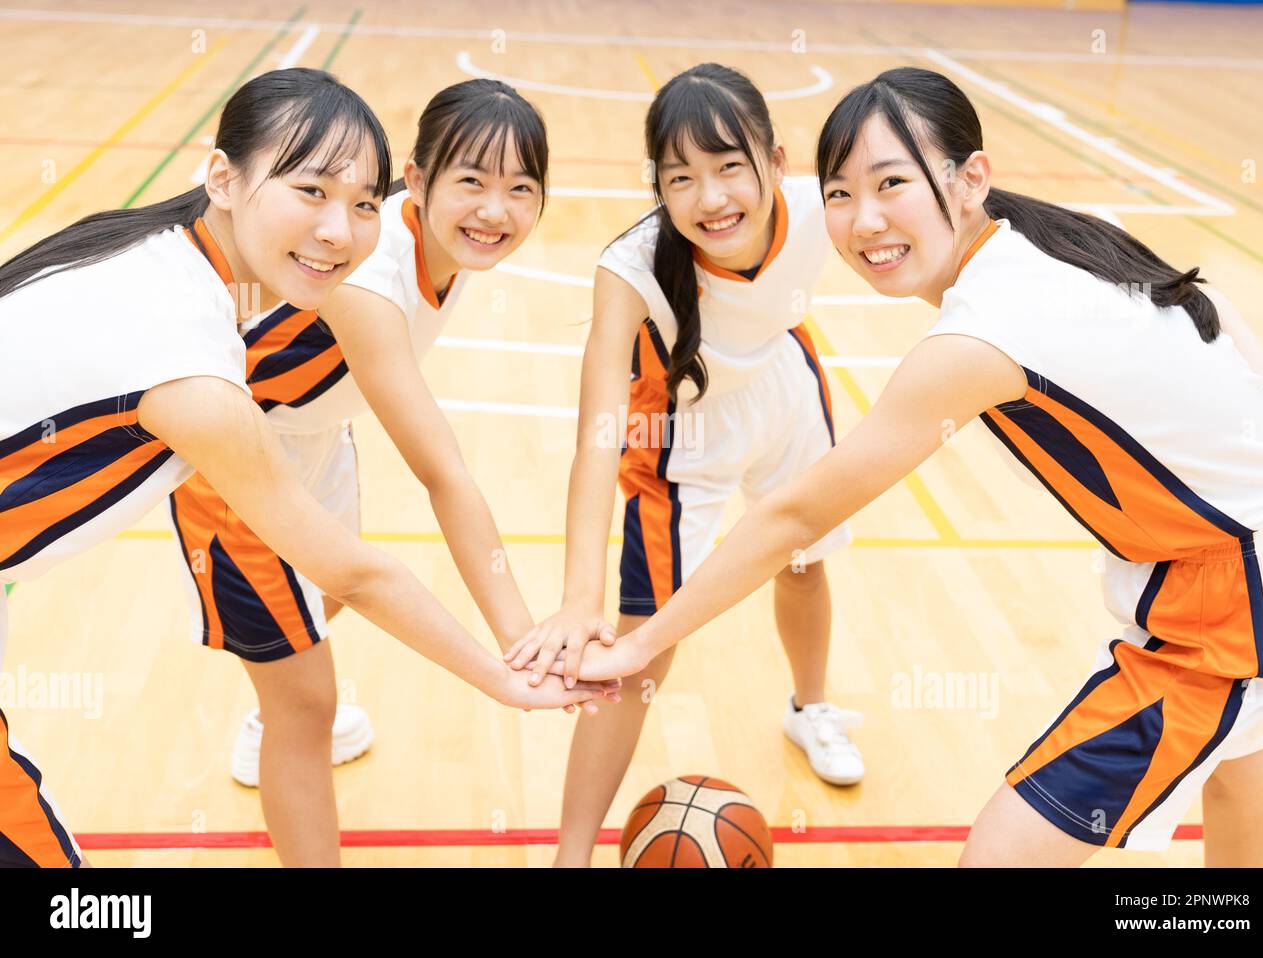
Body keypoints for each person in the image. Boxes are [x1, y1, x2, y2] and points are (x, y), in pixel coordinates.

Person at [557, 66, 1263, 867]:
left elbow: (797, 515)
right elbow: (1212, 301)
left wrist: (637, 646)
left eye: (892, 185)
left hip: (1229, 605)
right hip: (1253, 565)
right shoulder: (1041, 240)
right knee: (1241, 774)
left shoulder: (974, 342)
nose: (864, 220)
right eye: (841, 194)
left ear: (971, 177)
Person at [0, 68, 610, 869]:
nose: (339, 229)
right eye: (310, 191)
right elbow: (402, 521)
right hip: (247, 466)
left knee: (306, 652)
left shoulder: (169, 258)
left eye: (361, 202)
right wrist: (510, 667)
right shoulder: (203, 361)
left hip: (299, 444)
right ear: (221, 177)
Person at [169, 79, 563, 866]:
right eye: (473, 182)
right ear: (416, 179)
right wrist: (520, 640)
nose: (496, 210)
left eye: (522, 188)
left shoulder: (442, 246)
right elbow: (442, 472)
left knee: (330, 601)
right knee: (306, 708)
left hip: (317, 440)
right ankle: (277, 724)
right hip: (236, 463)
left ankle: (271, 708)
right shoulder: (368, 278)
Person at [504, 63, 861, 868]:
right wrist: (575, 600)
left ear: (775, 162)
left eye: (730, 167)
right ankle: (571, 857)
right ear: (657, 186)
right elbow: (597, 434)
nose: (710, 197)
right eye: (681, 177)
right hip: (679, 437)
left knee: (802, 565)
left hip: (783, 387)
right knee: (638, 653)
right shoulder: (629, 271)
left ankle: (811, 707)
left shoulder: (818, 211)